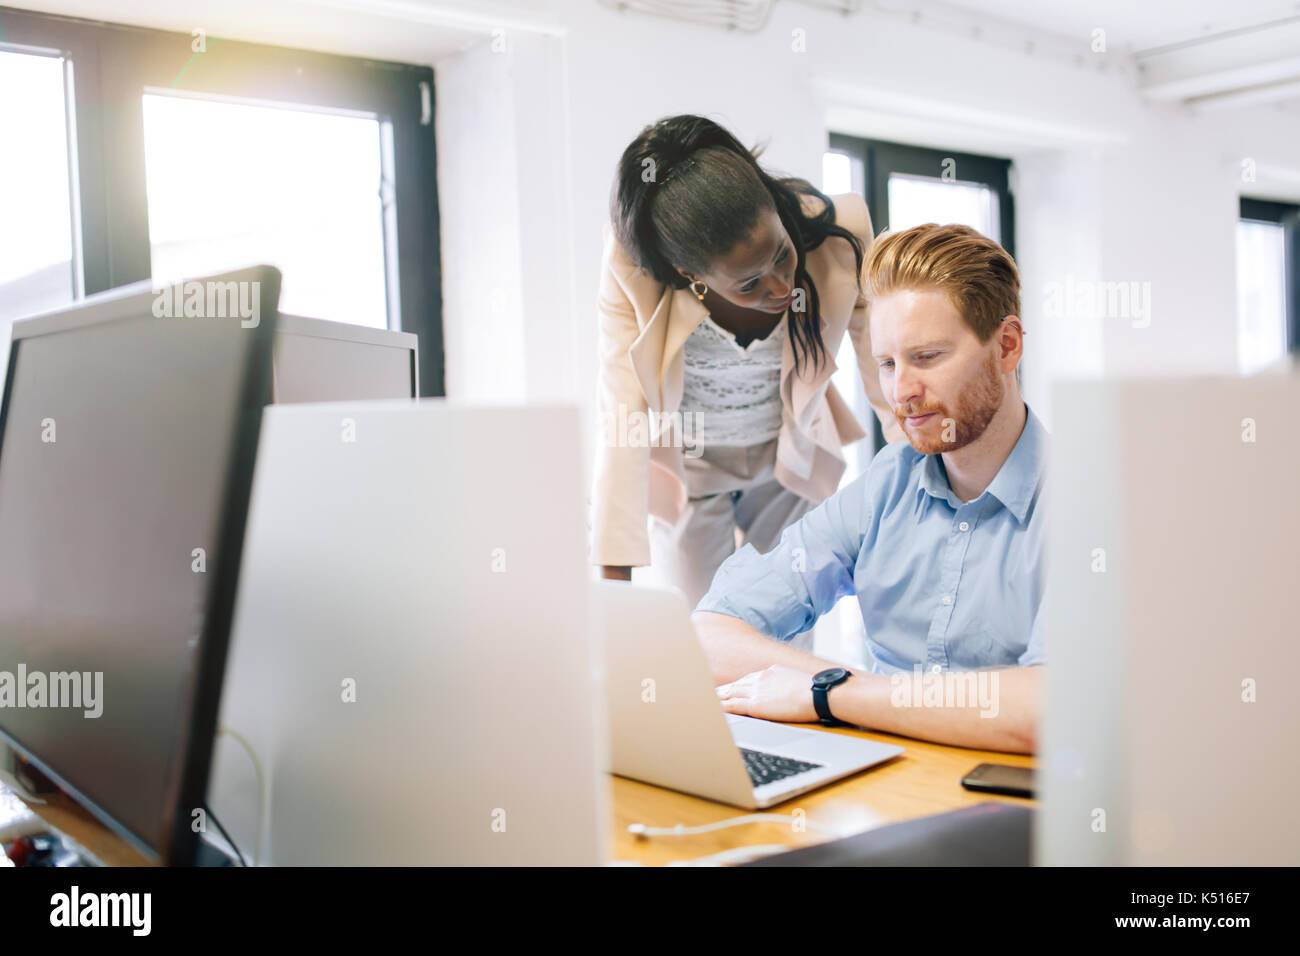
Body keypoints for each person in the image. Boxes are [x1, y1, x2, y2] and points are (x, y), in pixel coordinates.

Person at [692, 223, 1046, 754]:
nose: (902, 391)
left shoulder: (1080, 504)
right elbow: (710, 635)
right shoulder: (888, 484)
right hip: (888, 787)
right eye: (887, 363)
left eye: (927, 357)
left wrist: (832, 695)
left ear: (1008, 346)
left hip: (1007, 810)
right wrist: (846, 692)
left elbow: (1047, 710)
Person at [590, 114, 903, 610]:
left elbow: (886, 365)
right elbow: (623, 410)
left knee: (784, 629)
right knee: (699, 641)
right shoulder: (633, 269)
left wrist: (926, 477)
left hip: (787, 458)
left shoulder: (840, 233)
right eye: (749, 284)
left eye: (781, 255)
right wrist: (611, 588)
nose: (780, 287)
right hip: (692, 469)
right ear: (689, 273)